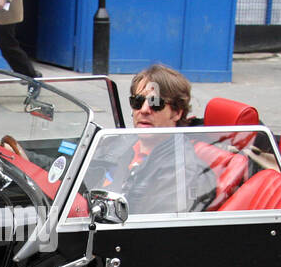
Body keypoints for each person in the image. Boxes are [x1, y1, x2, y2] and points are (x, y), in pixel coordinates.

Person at [87, 65, 218, 215]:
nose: (143, 110)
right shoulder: (118, 141)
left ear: (176, 112)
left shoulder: (179, 169)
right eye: (138, 101)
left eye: (155, 103)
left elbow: (148, 228)